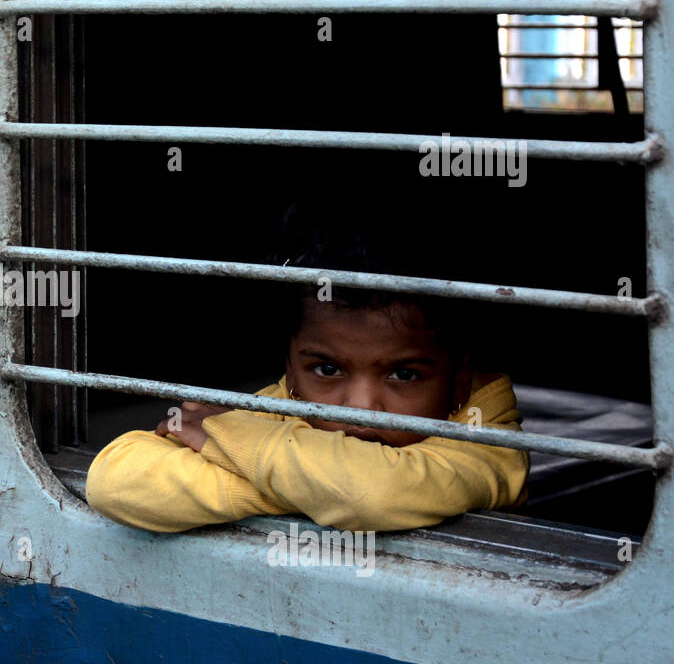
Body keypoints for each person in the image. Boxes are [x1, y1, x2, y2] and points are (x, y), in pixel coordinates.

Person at [84, 201, 530, 533]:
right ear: (290, 371)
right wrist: (313, 484)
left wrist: (242, 446)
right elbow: (117, 481)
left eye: (405, 374)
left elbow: (369, 494)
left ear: (460, 377)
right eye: (328, 370)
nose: (360, 408)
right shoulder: (287, 404)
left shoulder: (486, 436)